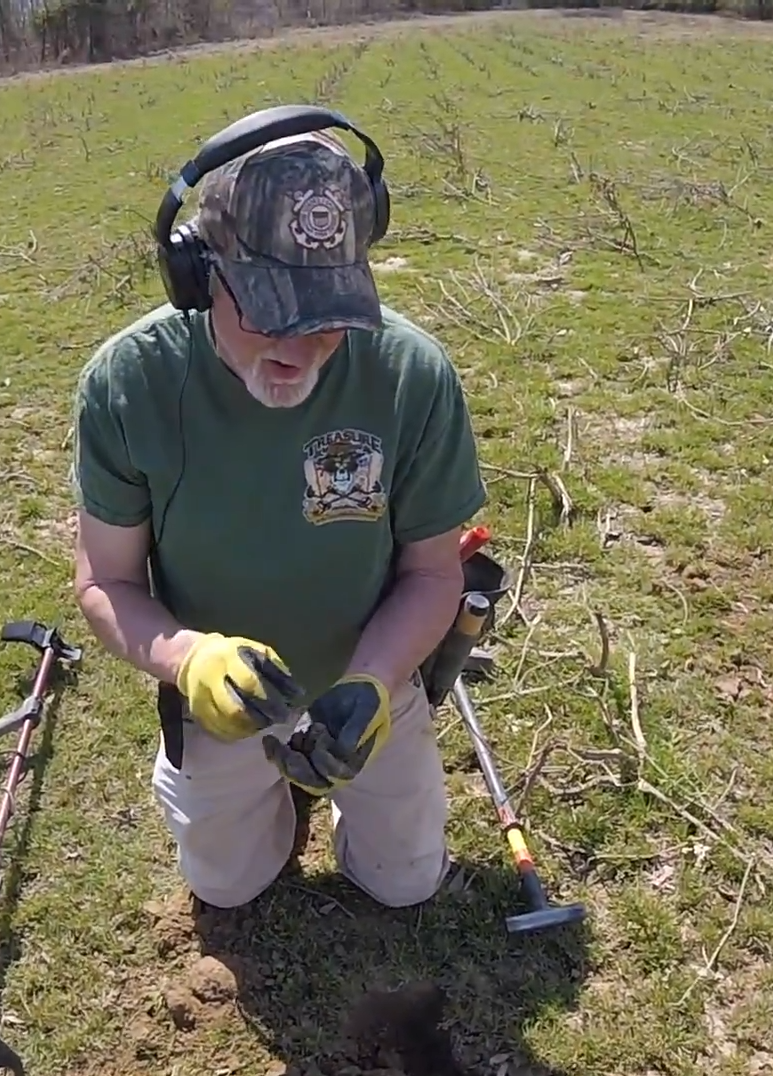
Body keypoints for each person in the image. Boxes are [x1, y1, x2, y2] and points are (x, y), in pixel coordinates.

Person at [70, 115, 487, 912]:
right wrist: (188, 660)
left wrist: (373, 681)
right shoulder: (128, 383)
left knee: (405, 885)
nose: (302, 344)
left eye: (329, 312)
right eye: (269, 308)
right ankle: (252, 788)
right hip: (223, 694)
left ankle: (351, 757)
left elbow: (435, 572)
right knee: (229, 890)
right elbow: (105, 583)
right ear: (196, 275)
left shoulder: (411, 373)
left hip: (368, 670)